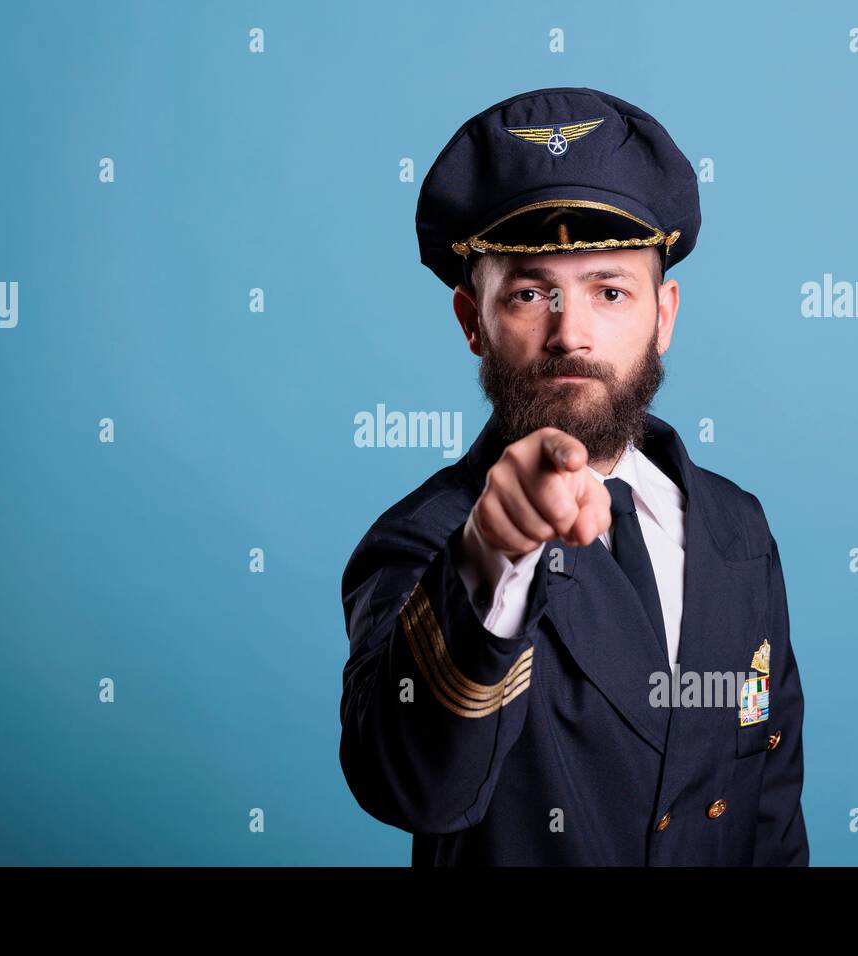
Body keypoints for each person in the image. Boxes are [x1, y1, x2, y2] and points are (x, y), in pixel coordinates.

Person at [338, 87, 808, 865]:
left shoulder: (739, 530)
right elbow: (408, 784)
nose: (571, 333)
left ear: (664, 315)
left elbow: (773, 815)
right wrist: (490, 552)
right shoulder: (424, 542)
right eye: (529, 293)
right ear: (471, 322)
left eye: (610, 290)